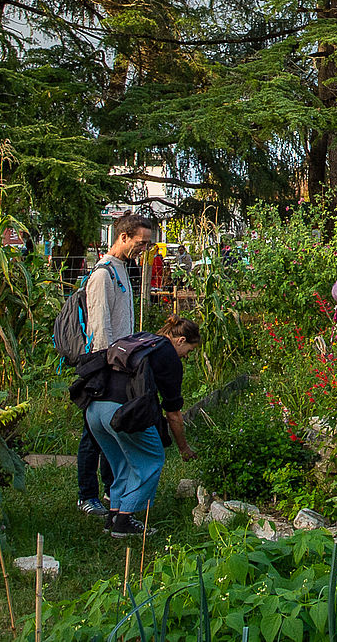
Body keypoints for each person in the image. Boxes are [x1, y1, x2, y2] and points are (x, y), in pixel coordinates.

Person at [81, 315, 201, 538]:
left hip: (94, 409)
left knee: (122, 462)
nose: (186, 357)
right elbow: (173, 413)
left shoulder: (143, 340)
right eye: (189, 351)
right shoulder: (168, 355)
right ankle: (125, 520)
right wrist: (183, 447)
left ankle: (114, 516)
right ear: (181, 340)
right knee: (150, 460)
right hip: (121, 412)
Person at [74, 211, 154, 519]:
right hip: (104, 364)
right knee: (93, 433)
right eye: (141, 242)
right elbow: (100, 325)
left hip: (120, 362)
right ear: (123, 237)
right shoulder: (103, 275)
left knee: (112, 429)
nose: (143, 249)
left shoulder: (124, 269)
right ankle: (86, 495)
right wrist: (108, 367)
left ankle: (111, 489)